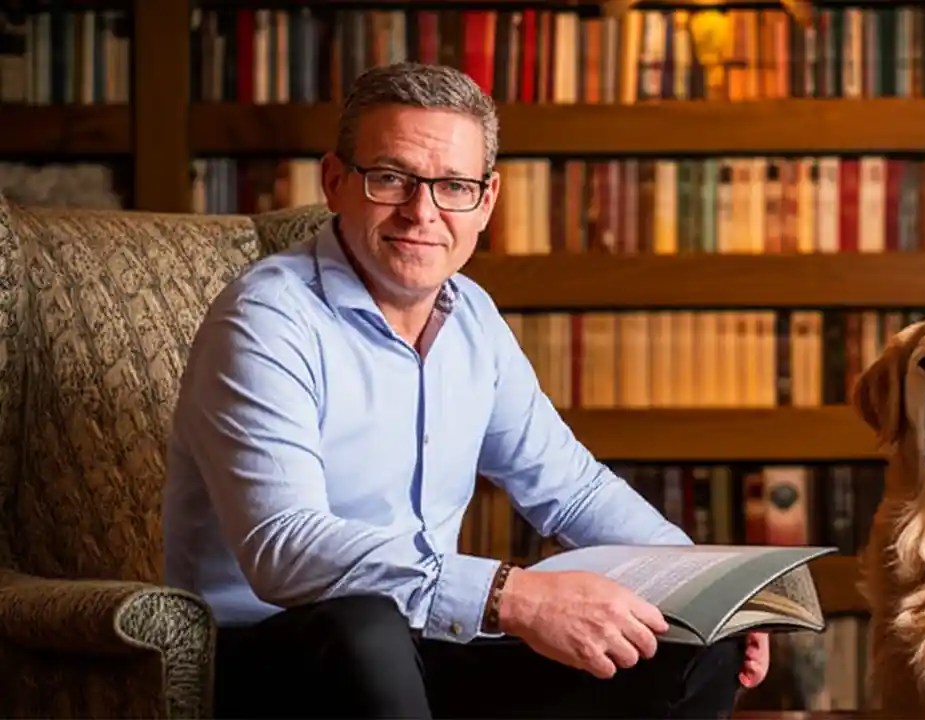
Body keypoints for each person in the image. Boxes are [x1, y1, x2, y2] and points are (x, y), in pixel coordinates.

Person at [162, 61, 769, 719]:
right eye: (391, 178)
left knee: (691, 646)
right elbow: (285, 544)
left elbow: (573, 491)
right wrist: (513, 596)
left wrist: (705, 588)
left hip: (430, 642)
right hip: (274, 655)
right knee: (365, 628)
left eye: (452, 185)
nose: (421, 213)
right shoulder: (266, 320)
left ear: (486, 200)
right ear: (336, 182)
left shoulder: (471, 316)